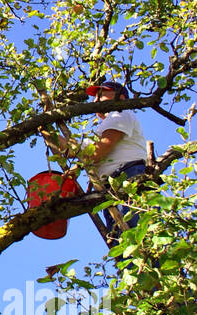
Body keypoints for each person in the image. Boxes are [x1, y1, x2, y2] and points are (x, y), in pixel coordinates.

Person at [47, 78, 148, 245]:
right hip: (112, 188)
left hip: (128, 179)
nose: (95, 100)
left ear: (121, 98)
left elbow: (96, 153)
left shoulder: (120, 113)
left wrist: (79, 166)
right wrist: (46, 130)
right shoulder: (104, 128)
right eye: (95, 97)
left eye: (101, 94)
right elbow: (73, 151)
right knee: (125, 246)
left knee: (138, 241)